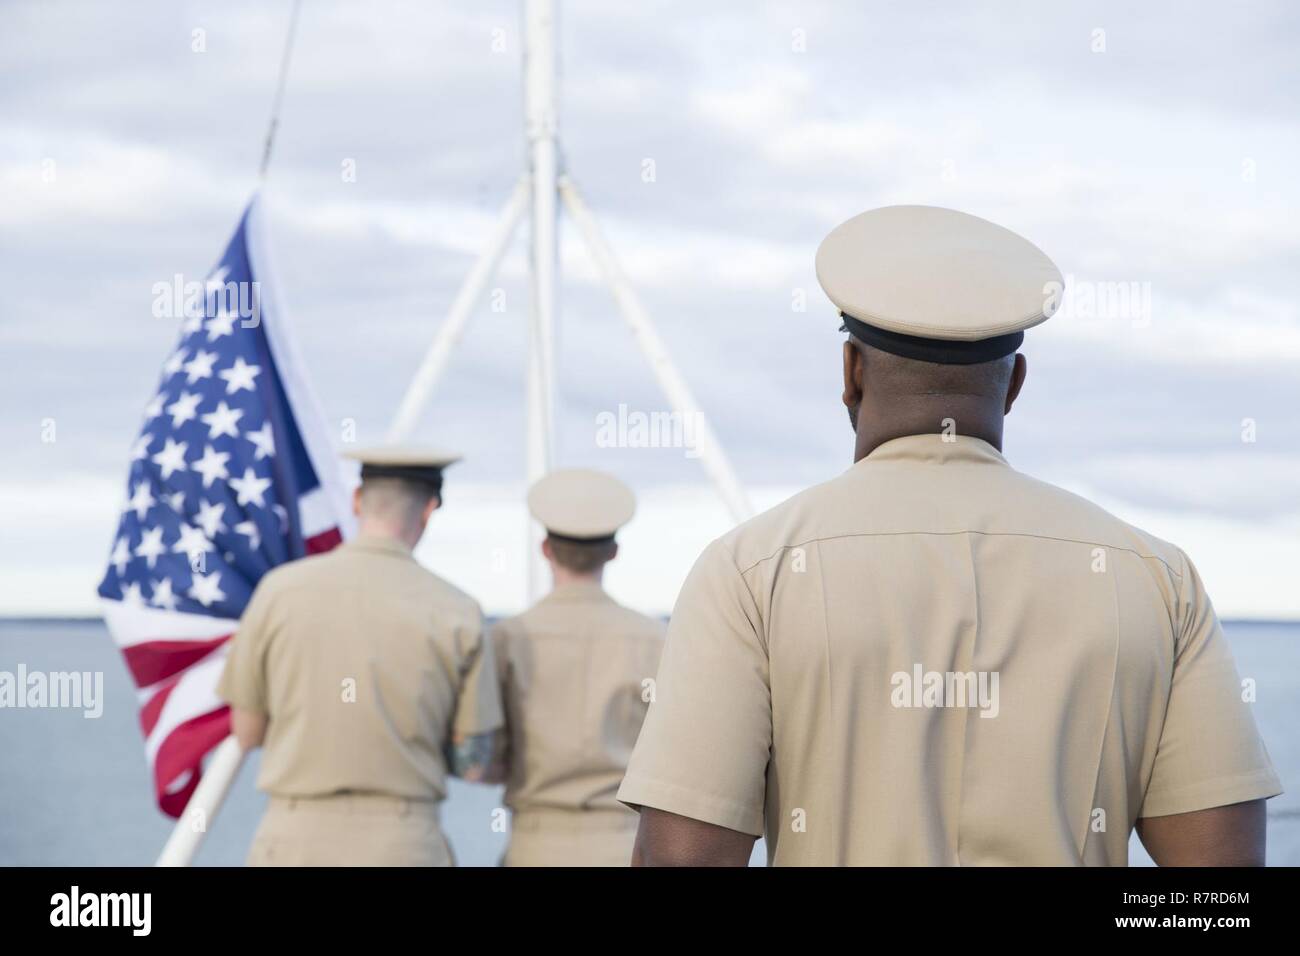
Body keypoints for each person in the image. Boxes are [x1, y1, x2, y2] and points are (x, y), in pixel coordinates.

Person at [618, 204, 1283, 866]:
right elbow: (1220, 881)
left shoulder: (748, 571)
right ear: (1015, 383)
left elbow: (684, 859)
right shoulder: (1157, 578)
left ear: (851, 372)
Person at [217, 445, 505, 866]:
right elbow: (473, 763)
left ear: (356, 500)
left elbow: (247, 733)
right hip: (404, 844)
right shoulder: (458, 611)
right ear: (428, 510)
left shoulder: (278, 593)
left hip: (293, 840)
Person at [489, 468, 665, 866]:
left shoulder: (507, 638)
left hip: (535, 845)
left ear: (545, 549)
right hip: (625, 844)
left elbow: (486, 759)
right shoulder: (657, 639)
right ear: (614, 551)